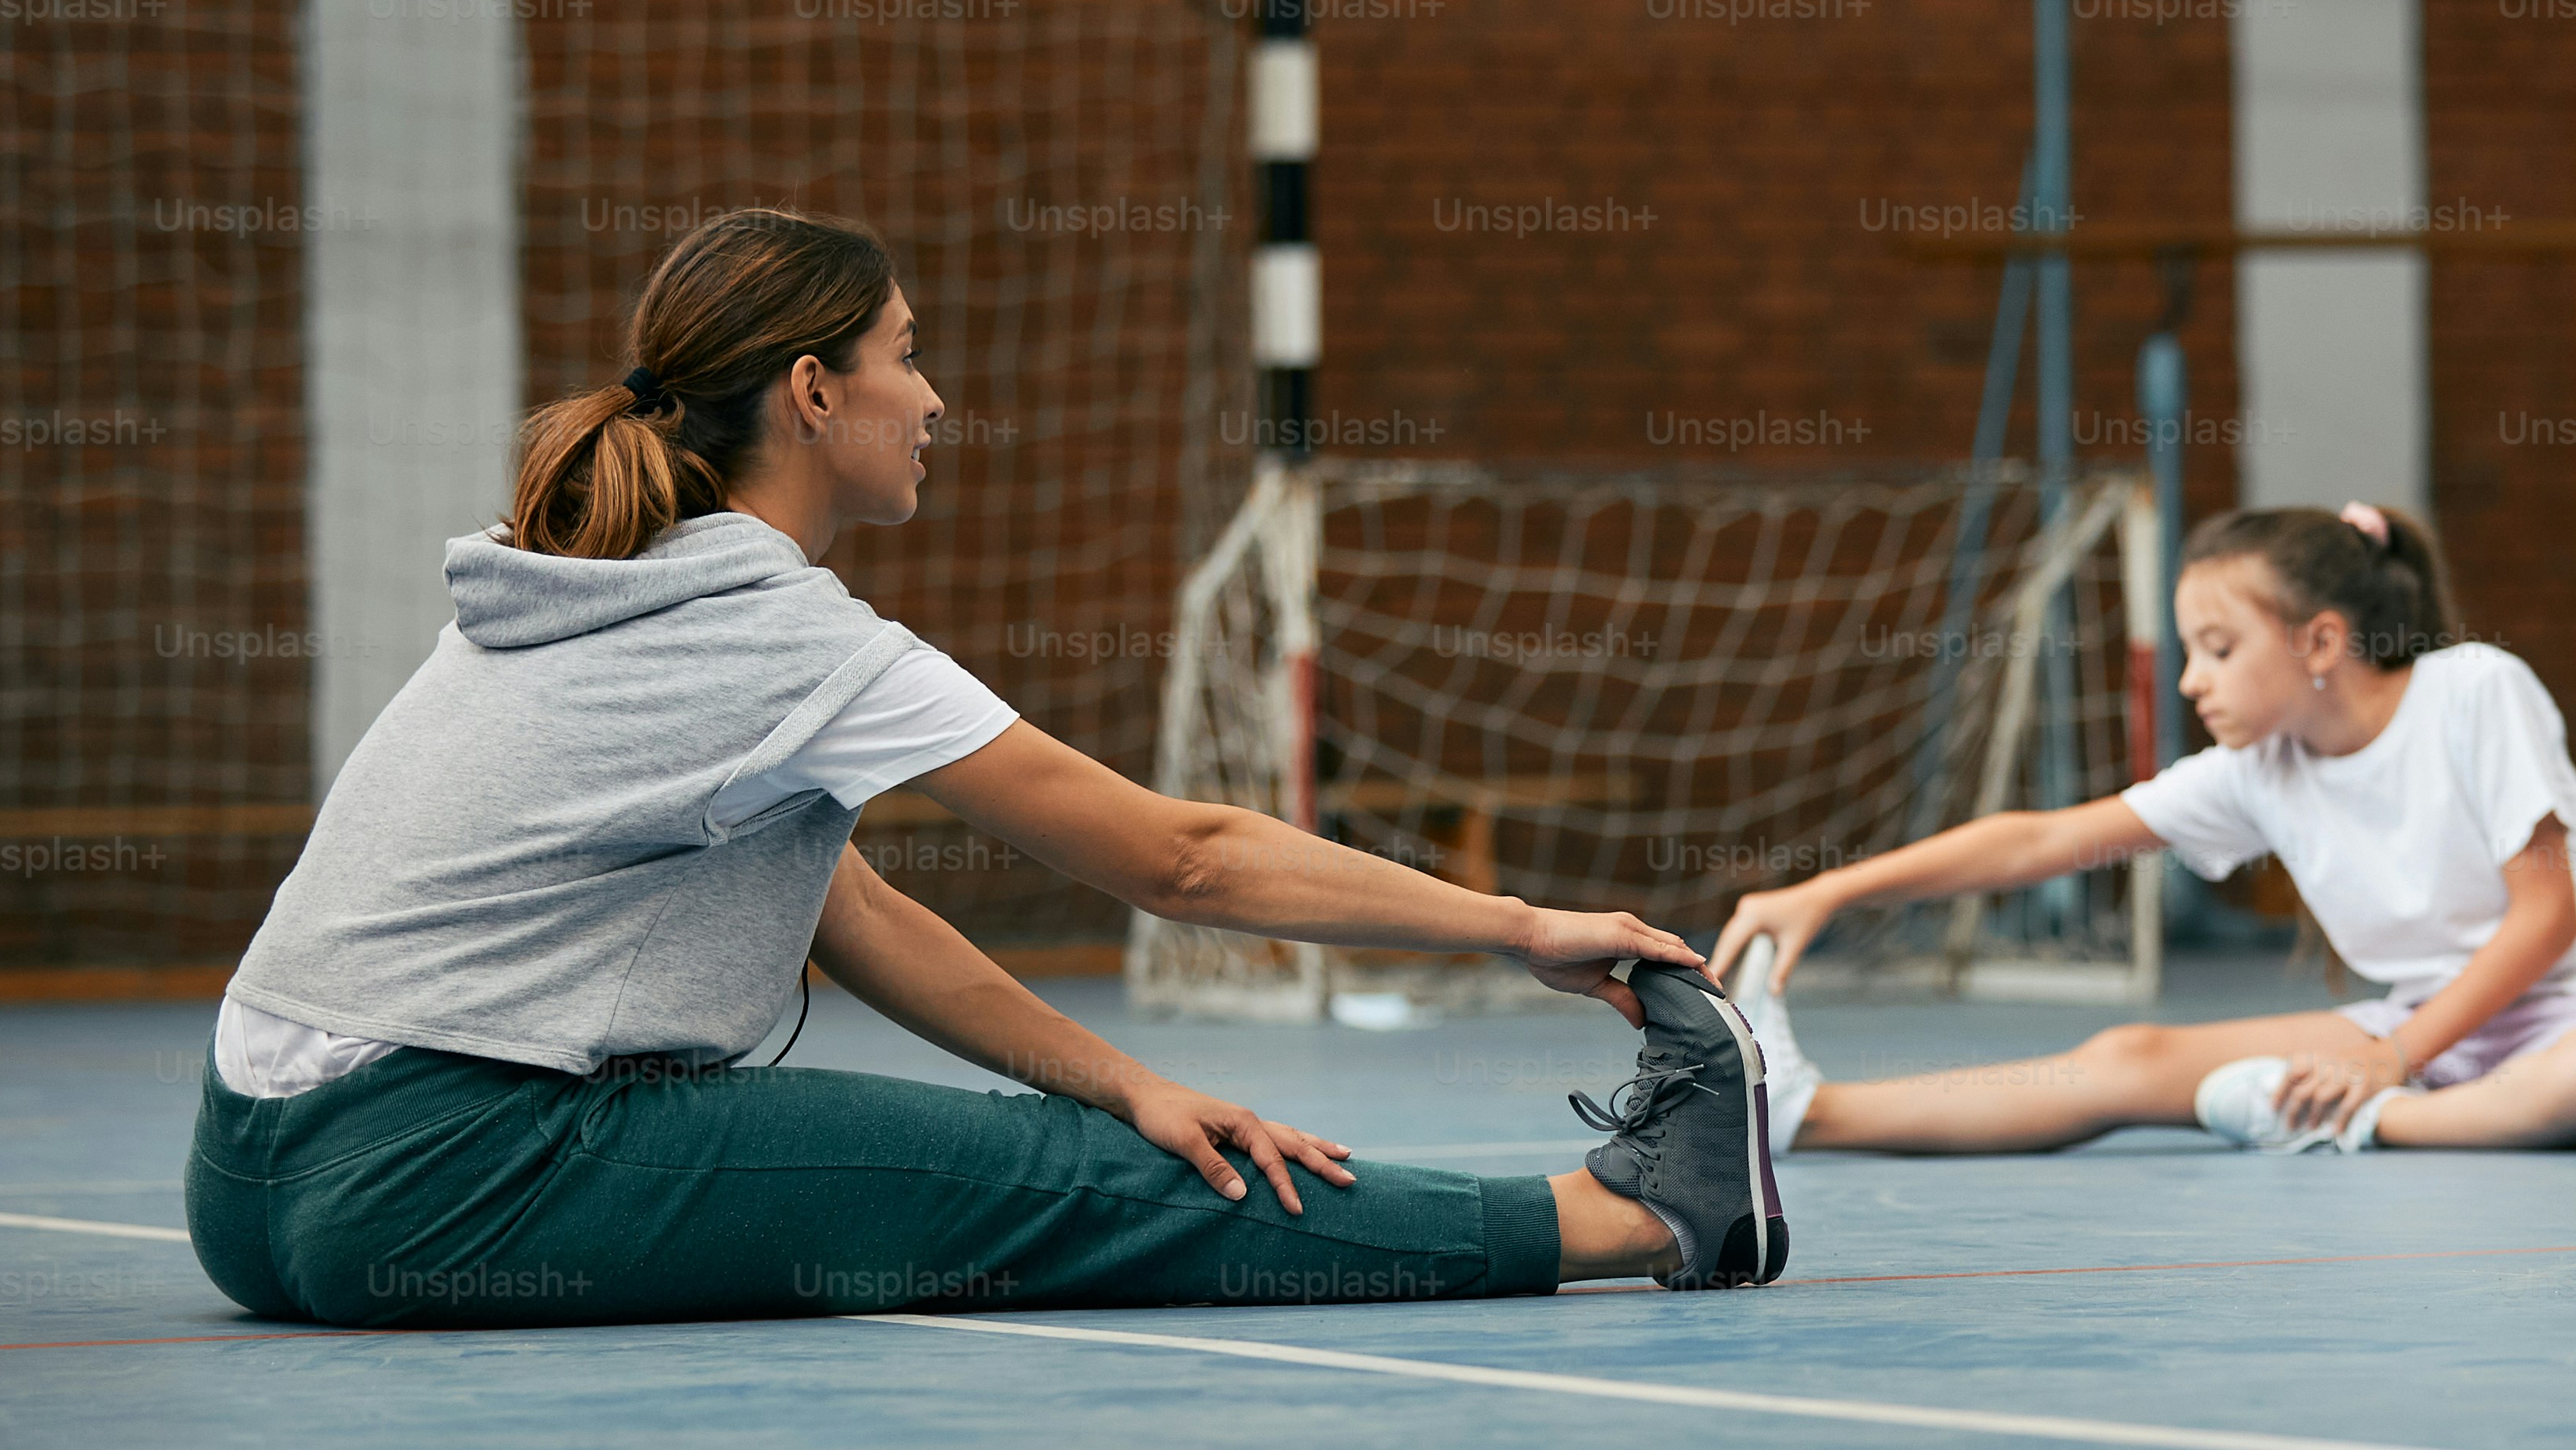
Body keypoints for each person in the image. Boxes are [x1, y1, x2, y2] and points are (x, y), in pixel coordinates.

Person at [188, 209, 1782, 1327]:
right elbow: (1184, 861)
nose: (934, 395)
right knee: (1053, 1187)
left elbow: (853, 915)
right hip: (440, 1179)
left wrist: (1135, 1079)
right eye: (905, 353)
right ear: (814, 395)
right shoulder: (777, 633)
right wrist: (1520, 928)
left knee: (1097, 1136)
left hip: (252, 1193)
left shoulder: (579, 574)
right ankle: (1634, 1220)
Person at [1713, 501, 2576, 1155]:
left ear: (2321, 642)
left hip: (2571, 1018)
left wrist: (2390, 1063)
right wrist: (1830, 890)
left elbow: (2546, 917)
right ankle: (1807, 1115)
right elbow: (2040, 840)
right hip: (2424, 1034)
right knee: (2129, 1056)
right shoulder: (2259, 770)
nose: (2191, 681)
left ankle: (2366, 1122)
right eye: (2189, 651)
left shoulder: (2474, 689)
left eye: (2219, 649)